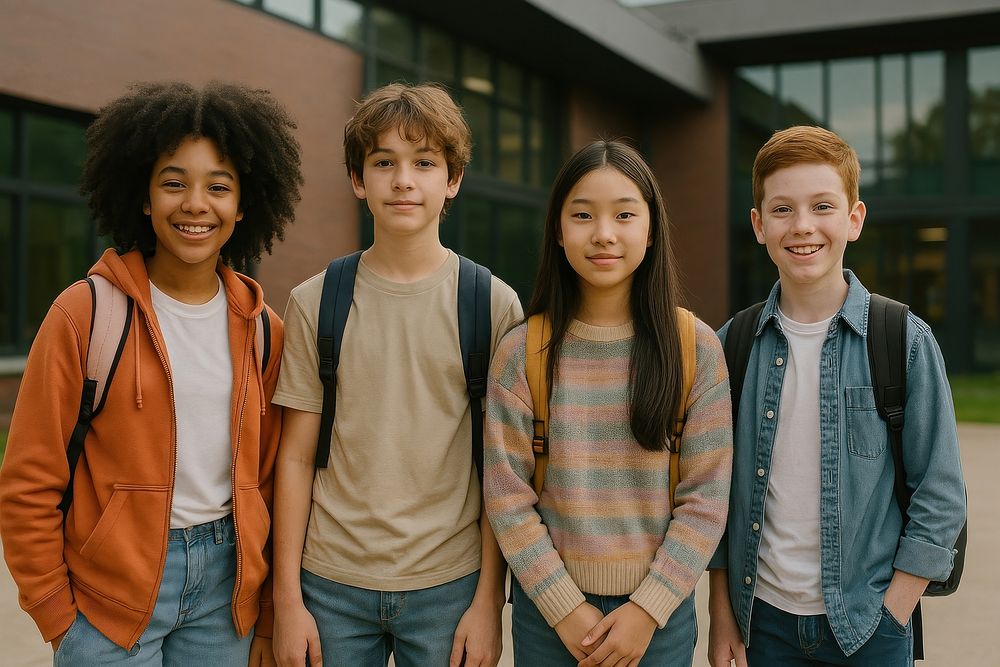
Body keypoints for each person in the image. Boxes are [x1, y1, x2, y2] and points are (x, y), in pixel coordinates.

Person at [0, 81, 302, 666]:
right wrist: (56, 613)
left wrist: (262, 612)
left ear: (244, 206)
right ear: (143, 197)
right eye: (173, 183)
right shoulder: (85, 313)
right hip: (107, 599)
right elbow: (28, 478)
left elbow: (267, 482)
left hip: (224, 595)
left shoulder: (265, 329)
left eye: (218, 187)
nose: (195, 204)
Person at [270, 82, 522, 667]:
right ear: (359, 180)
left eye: (425, 162)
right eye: (384, 163)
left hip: (450, 587)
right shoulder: (316, 301)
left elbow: (501, 469)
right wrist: (288, 602)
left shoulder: (491, 304)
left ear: (452, 180)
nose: (403, 180)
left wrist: (489, 601)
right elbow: (294, 457)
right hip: (330, 583)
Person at [707, 125, 967, 667]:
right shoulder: (733, 343)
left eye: (822, 206)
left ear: (854, 218)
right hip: (762, 625)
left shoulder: (904, 341)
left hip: (869, 624)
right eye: (782, 209)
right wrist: (723, 612)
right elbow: (716, 496)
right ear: (758, 225)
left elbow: (940, 494)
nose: (802, 226)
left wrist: (893, 610)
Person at [484, 140, 733, 666]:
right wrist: (564, 607)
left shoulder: (695, 348)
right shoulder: (522, 351)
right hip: (548, 616)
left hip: (658, 619)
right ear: (557, 229)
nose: (603, 233)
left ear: (650, 228)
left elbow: (707, 498)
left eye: (624, 214)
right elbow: (508, 498)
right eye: (582, 215)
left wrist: (649, 607)